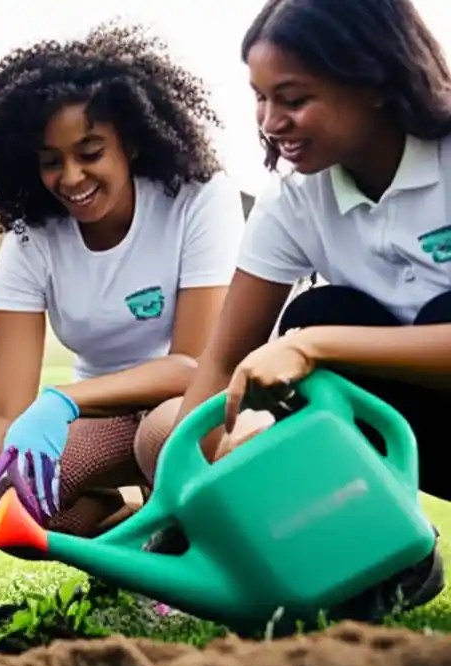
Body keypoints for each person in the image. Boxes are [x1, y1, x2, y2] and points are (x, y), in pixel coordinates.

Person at [0, 23, 247, 605]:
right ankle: (148, 554)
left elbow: (193, 366)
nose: (71, 178)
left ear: (129, 139)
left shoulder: (198, 198)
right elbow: (3, 405)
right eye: (51, 161)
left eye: (90, 152)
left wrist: (63, 400)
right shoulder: (33, 239)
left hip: (206, 406)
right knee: (14, 498)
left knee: (165, 432)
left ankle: (208, 550)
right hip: (107, 419)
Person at [155, 0, 451, 620]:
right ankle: (389, 552)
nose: (269, 121)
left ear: (371, 79)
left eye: (292, 98)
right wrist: (180, 502)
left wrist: (315, 345)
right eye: (260, 99)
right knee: (319, 312)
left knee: (314, 332)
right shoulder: (295, 199)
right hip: (427, 436)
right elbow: (224, 357)